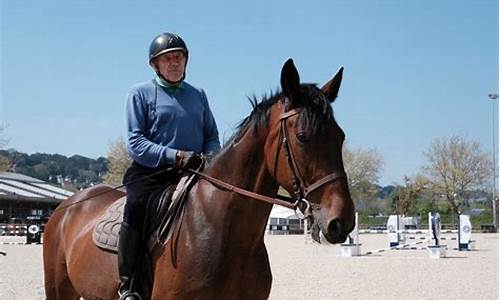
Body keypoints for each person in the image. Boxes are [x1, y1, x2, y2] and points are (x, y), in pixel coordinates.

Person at [118, 32, 221, 300]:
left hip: (196, 170)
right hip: (152, 172)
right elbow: (135, 142)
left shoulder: (198, 95)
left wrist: (211, 157)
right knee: (136, 207)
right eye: (168, 59)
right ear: (156, 65)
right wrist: (175, 156)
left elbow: (211, 135)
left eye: (179, 57)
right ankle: (127, 285)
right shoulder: (139, 93)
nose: (174, 63)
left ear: (186, 62)